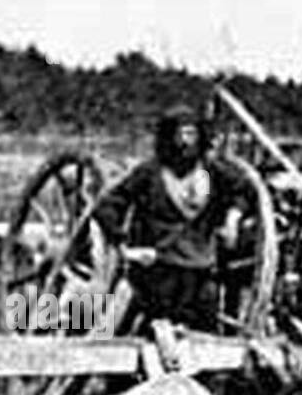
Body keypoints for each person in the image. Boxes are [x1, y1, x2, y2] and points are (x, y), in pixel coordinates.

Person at [92, 104, 255, 332]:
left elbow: (246, 190)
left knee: (206, 339)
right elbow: (107, 206)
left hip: (201, 274)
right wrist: (123, 247)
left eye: (191, 134)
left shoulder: (212, 172)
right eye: (179, 134)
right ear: (167, 138)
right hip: (158, 274)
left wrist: (233, 217)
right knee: (152, 336)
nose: (185, 142)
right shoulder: (149, 173)